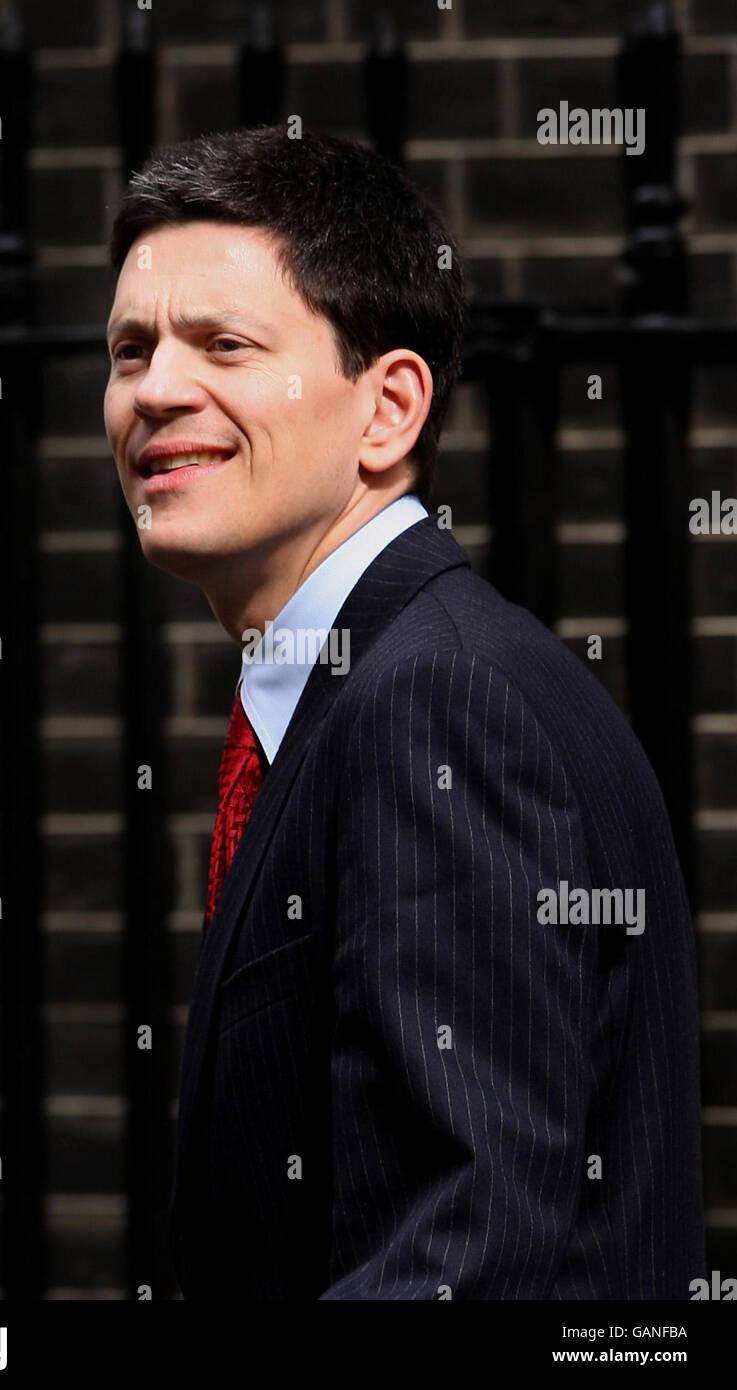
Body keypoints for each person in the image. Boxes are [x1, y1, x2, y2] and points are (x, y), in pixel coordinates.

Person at [103, 124, 707, 1300]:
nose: (156, 389)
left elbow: (459, 1252)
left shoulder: (437, 700)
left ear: (387, 411)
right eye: (131, 349)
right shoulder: (378, 678)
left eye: (223, 344)